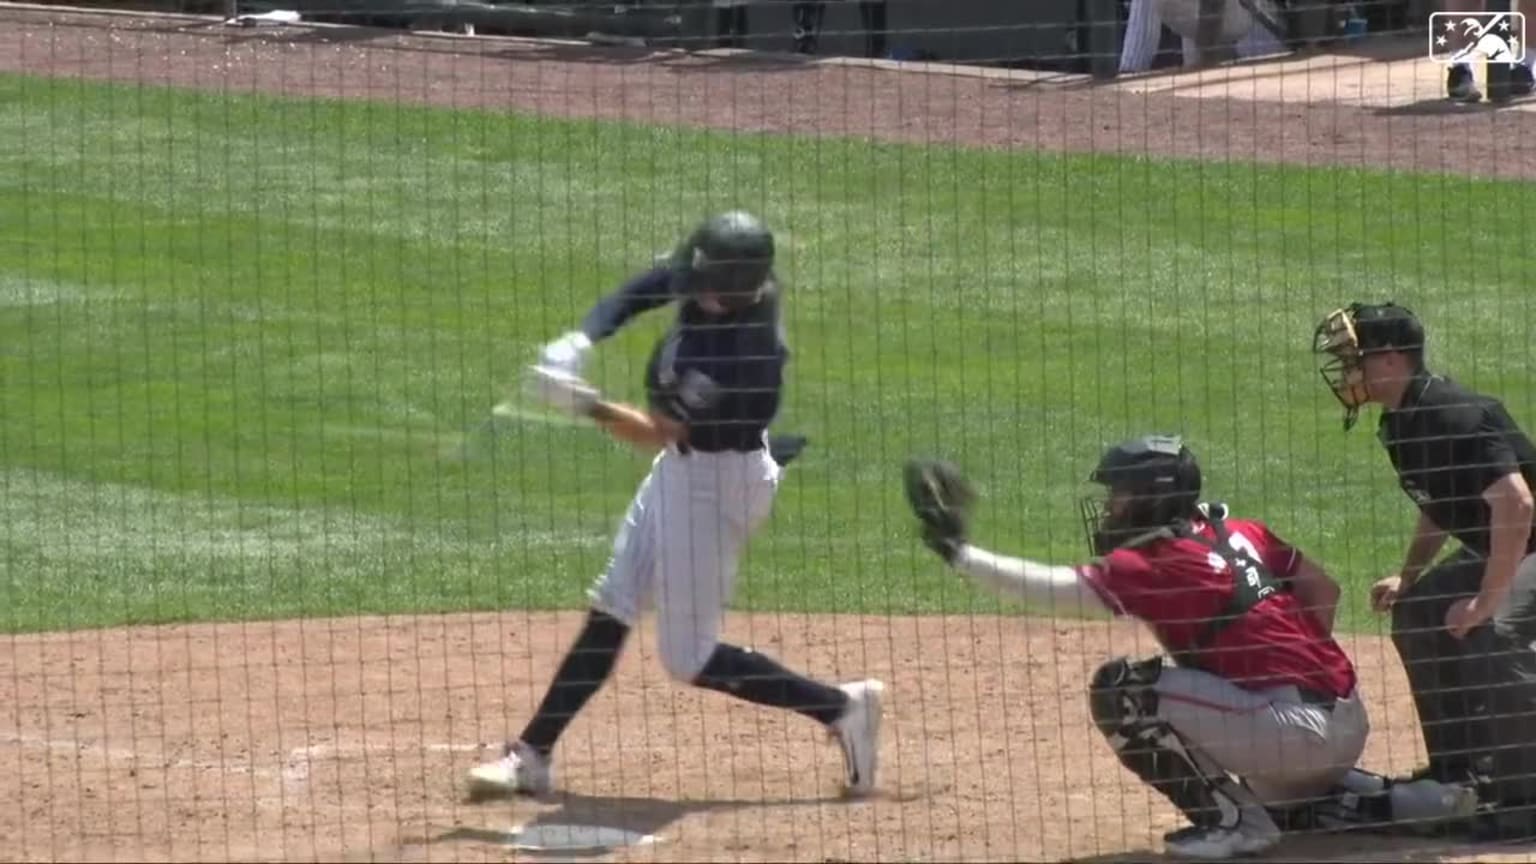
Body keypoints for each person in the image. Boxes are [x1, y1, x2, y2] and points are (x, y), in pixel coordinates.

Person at [464, 211, 884, 800]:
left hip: (715, 487)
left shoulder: (742, 352)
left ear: (732, 287)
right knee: (614, 603)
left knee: (688, 658)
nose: (690, 283)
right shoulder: (728, 284)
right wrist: (581, 338)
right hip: (686, 471)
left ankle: (842, 707)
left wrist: (582, 403)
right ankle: (533, 754)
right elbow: (646, 288)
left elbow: (657, 432)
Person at [902, 435, 1477, 858]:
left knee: (1124, 693)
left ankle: (1233, 824)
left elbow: (1057, 591)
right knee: (1285, 796)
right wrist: (1281, 664)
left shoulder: (1158, 561)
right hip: (1344, 718)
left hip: (1292, 733)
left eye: (1120, 495)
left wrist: (960, 554)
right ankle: (1414, 801)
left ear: (1151, 499)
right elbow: (1324, 589)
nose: (1110, 506)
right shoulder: (1240, 532)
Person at [1313, 301, 1536, 838]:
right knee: (1418, 613)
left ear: (1391, 360)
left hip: (1527, 542)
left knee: (1496, 631)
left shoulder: (1455, 414)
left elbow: (1517, 504)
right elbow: (1439, 504)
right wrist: (1410, 576)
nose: (1347, 371)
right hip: (1510, 546)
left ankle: (1523, 801)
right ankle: (1462, 775)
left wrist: (1486, 599)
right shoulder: (1401, 422)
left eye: (1355, 357)